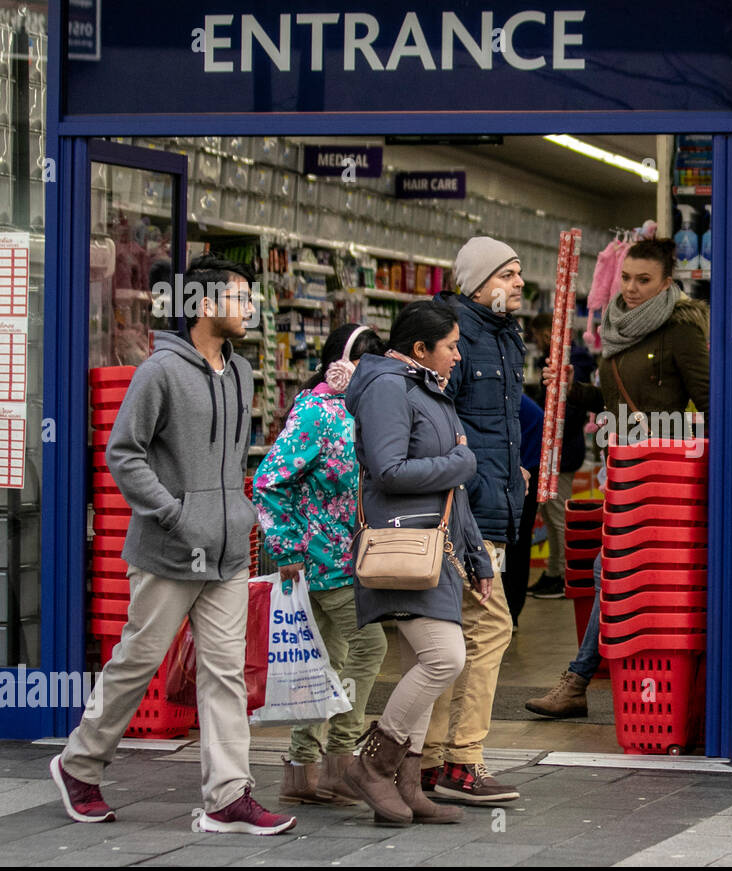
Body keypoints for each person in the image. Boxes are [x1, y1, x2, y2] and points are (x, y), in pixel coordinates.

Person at [51, 255, 296, 834]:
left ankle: (227, 795)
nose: (248, 309)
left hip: (229, 550)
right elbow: (123, 452)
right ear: (206, 305)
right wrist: (173, 513)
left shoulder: (240, 371)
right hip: (170, 548)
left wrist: (241, 515)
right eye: (239, 298)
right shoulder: (158, 371)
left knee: (225, 671)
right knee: (138, 661)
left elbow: (233, 456)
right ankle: (79, 763)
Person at [526, 237, 709, 719]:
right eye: (626, 277)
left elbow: (710, 401)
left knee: (610, 571)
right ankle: (599, 677)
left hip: (662, 479)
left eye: (643, 280)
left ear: (667, 282)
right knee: (608, 572)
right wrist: (572, 389)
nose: (630, 288)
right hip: (621, 470)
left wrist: (682, 447)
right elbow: (613, 401)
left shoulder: (680, 329)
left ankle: (579, 679)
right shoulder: (618, 327)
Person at [343, 300, 493, 826]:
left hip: (439, 550)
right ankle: (370, 765)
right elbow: (387, 469)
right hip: (404, 546)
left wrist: (478, 558)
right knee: (443, 659)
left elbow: (454, 495)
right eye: (450, 346)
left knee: (420, 666)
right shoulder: (389, 387)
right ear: (420, 349)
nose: (457, 355)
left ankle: (408, 786)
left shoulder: (428, 389)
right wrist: (462, 459)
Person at [253, 322, 390, 806]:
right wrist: (287, 548)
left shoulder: (359, 412)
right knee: (370, 644)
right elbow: (268, 480)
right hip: (321, 561)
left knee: (327, 660)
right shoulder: (316, 412)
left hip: (349, 559)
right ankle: (340, 759)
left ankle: (301, 769)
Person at [415, 237, 528, 804]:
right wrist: (474, 485)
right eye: (508, 274)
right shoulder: (456, 338)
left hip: (489, 506)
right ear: (479, 283)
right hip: (465, 510)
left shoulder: (507, 339)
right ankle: (461, 760)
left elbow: (500, 423)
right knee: (488, 628)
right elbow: (441, 421)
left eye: (518, 273)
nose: (519, 283)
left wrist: (516, 473)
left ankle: (431, 759)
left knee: (457, 633)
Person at [526, 314, 590, 599]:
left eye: (540, 334)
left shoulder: (573, 363)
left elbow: (573, 408)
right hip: (556, 450)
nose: (537, 341)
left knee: (558, 515)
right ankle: (554, 572)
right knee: (552, 515)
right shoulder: (561, 362)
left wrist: (552, 432)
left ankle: (565, 576)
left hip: (561, 452)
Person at [504, 393, 543, 626]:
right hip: (521, 470)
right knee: (513, 545)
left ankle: (509, 609)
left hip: (520, 474)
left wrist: (520, 464)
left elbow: (537, 419)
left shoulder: (505, 394)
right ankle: (510, 610)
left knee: (509, 545)